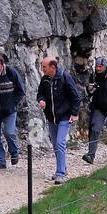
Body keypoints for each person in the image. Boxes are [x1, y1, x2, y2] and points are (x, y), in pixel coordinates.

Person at [36, 57, 80, 185]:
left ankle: (60, 173)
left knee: (60, 143)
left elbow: (76, 96)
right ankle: (63, 168)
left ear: (52, 67)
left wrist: (74, 113)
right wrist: (41, 100)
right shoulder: (44, 79)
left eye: (44, 67)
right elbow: (40, 93)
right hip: (51, 117)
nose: (42, 69)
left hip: (64, 116)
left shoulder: (65, 78)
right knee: (55, 144)